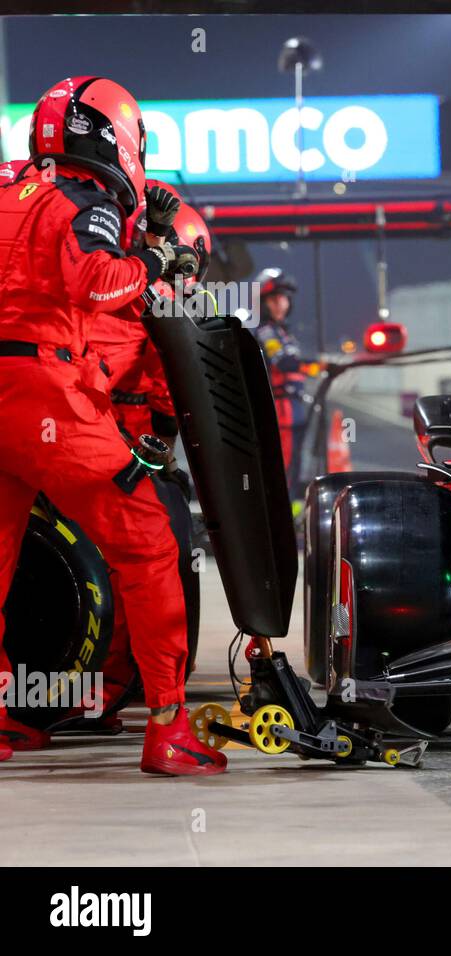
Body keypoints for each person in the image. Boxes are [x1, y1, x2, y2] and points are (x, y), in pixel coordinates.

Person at [0, 77, 224, 774]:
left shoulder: (11, 187)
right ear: (116, 136)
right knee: (149, 543)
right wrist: (156, 257)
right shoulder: (83, 199)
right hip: (45, 390)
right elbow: (97, 281)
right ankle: (167, 727)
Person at [90, 180, 211, 445]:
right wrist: (165, 450)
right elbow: (168, 380)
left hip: (70, 403)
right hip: (123, 420)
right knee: (156, 487)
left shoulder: (98, 275)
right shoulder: (163, 301)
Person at [253, 268, 311, 484]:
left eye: (284, 299)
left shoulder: (285, 333)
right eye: (274, 299)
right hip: (279, 411)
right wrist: (319, 366)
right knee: (282, 469)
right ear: (263, 303)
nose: (280, 304)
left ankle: (294, 512)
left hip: (294, 409)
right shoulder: (266, 332)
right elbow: (284, 363)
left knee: (295, 469)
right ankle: (282, 515)